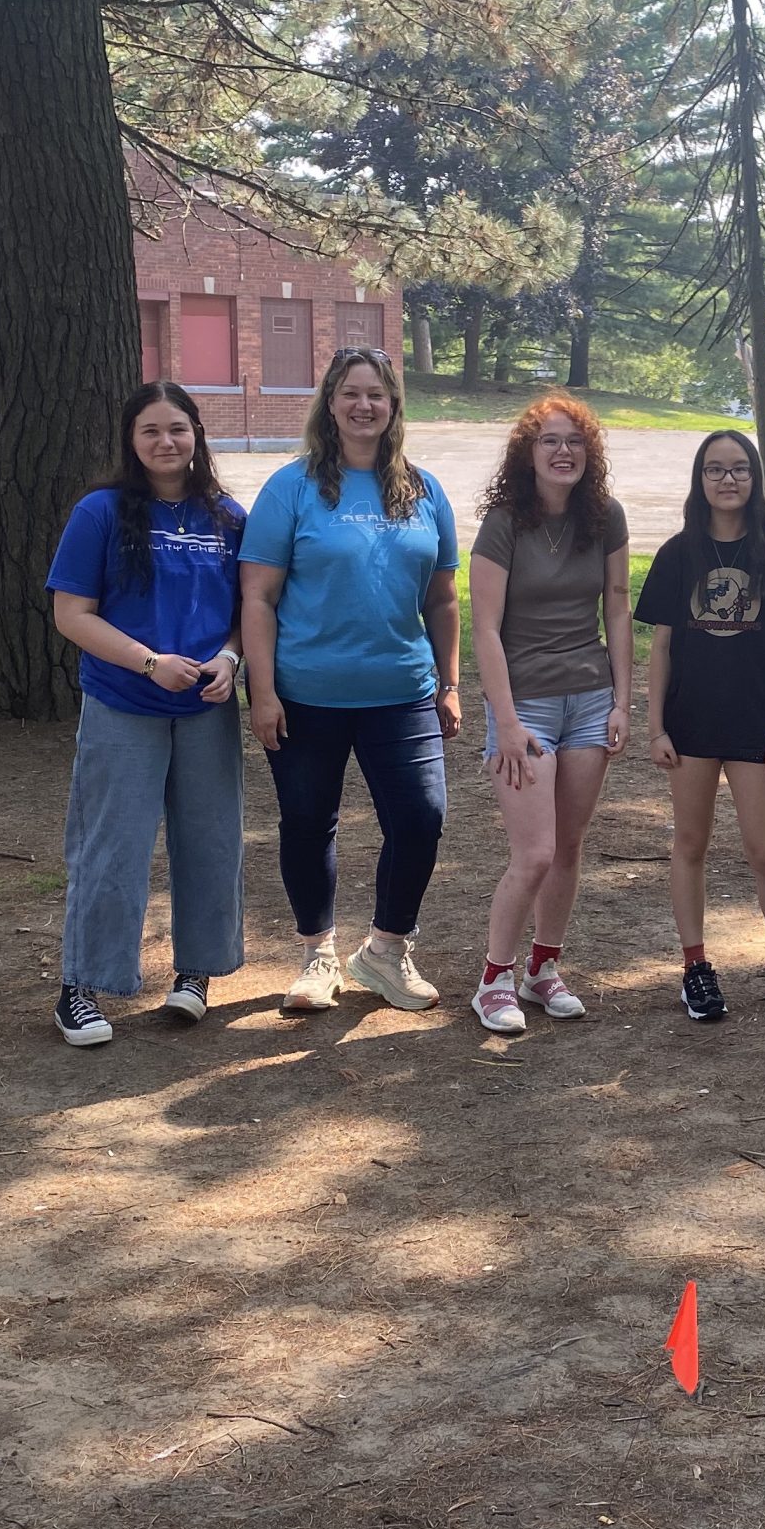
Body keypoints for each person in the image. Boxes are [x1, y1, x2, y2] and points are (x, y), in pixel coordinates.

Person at [238, 347, 460, 1014]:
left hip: (402, 692)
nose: (364, 405)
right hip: (307, 694)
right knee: (307, 823)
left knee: (421, 819)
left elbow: (443, 600)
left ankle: (385, 952)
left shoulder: (424, 490)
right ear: (330, 404)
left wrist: (448, 683)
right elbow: (258, 598)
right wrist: (265, 691)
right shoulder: (292, 487)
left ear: (394, 407)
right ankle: (317, 956)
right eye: (351, 393)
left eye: (377, 395)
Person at [44, 382, 247, 1048]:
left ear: (198, 435)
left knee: (211, 842)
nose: (167, 442)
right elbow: (71, 615)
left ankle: (197, 973)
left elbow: (248, 617)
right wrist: (147, 661)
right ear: (131, 441)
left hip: (205, 711)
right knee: (112, 847)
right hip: (123, 703)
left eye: (178, 429)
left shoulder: (226, 517)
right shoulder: (100, 512)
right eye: (151, 431)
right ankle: (82, 986)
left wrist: (228, 659)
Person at [635, 428, 765, 1021]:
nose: (728, 479)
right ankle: (695, 965)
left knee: (764, 849)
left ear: (755, 479)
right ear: (700, 479)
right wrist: (656, 727)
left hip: (757, 725)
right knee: (689, 844)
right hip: (690, 725)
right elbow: (662, 646)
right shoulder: (678, 554)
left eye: (739, 469)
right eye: (715, 469)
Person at [467, 397, 632, 1035]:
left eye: (574, 443)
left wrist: (622, 700)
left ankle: (543, 969)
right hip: (526, 704)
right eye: (549, 442)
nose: (563, 453)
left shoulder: (605, 518)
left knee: (568, 848)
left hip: (590, 700)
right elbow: (484, 630)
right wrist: (505, 722)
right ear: (528, 454)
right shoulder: (505, 523)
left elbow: (616, 610)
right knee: (532, 853)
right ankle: (494, 979)